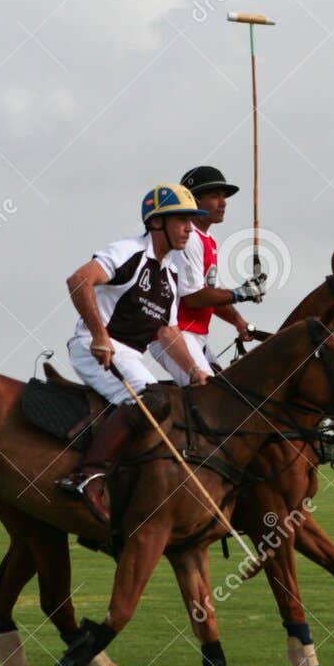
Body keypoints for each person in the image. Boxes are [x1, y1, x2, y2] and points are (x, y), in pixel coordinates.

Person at [56, 183, 210, 523]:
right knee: (151, 398)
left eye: (191, 221)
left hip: (130, 355)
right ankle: (88, 476)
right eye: (181, 220)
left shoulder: (170, 275)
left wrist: (194, 371)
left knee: (181, 400)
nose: (189, 228)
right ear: (156, 222)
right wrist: (99, 335)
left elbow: (166, 332)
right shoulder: (129, 252)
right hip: (95, 347)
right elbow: (78, 281)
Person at [148, 164, 266, 384]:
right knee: (209, 394)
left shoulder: (207, 240)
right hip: (173, 334)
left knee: (228, 391)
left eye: (224, 197)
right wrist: (241, 293)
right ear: (193, 201)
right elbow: (194, 298)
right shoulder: (189, 239)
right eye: (214, 196)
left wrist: (238, 321)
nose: (223, 203)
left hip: (195, 335)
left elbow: (211, 295)